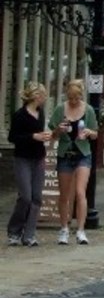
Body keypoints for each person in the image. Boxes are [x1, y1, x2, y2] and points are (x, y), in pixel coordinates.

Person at [49, 78, 99, 245]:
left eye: (76, 98)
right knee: (64, 194)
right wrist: (58, 130)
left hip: (83, 154)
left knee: (80, 192)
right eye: (70, 98)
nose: (73, 101)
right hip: (65, 154)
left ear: (80, 96)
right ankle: (64, 229)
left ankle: (81, 230)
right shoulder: (59, 109)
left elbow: (95, 133)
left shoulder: (89, 110)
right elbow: (53, 134)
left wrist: (88, 132)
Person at [6, 82, 52, 246]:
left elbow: (40, 134)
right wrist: (33, 137)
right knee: (25, 196)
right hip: (23, 158)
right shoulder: (20, 115)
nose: (45, 98)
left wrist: (44, 137)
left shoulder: (41, 113)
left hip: (38, 157)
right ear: (35, 96)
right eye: (43, 95)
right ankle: (14, 230)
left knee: (37, 197)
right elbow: (12, 138)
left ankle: (29, 235)